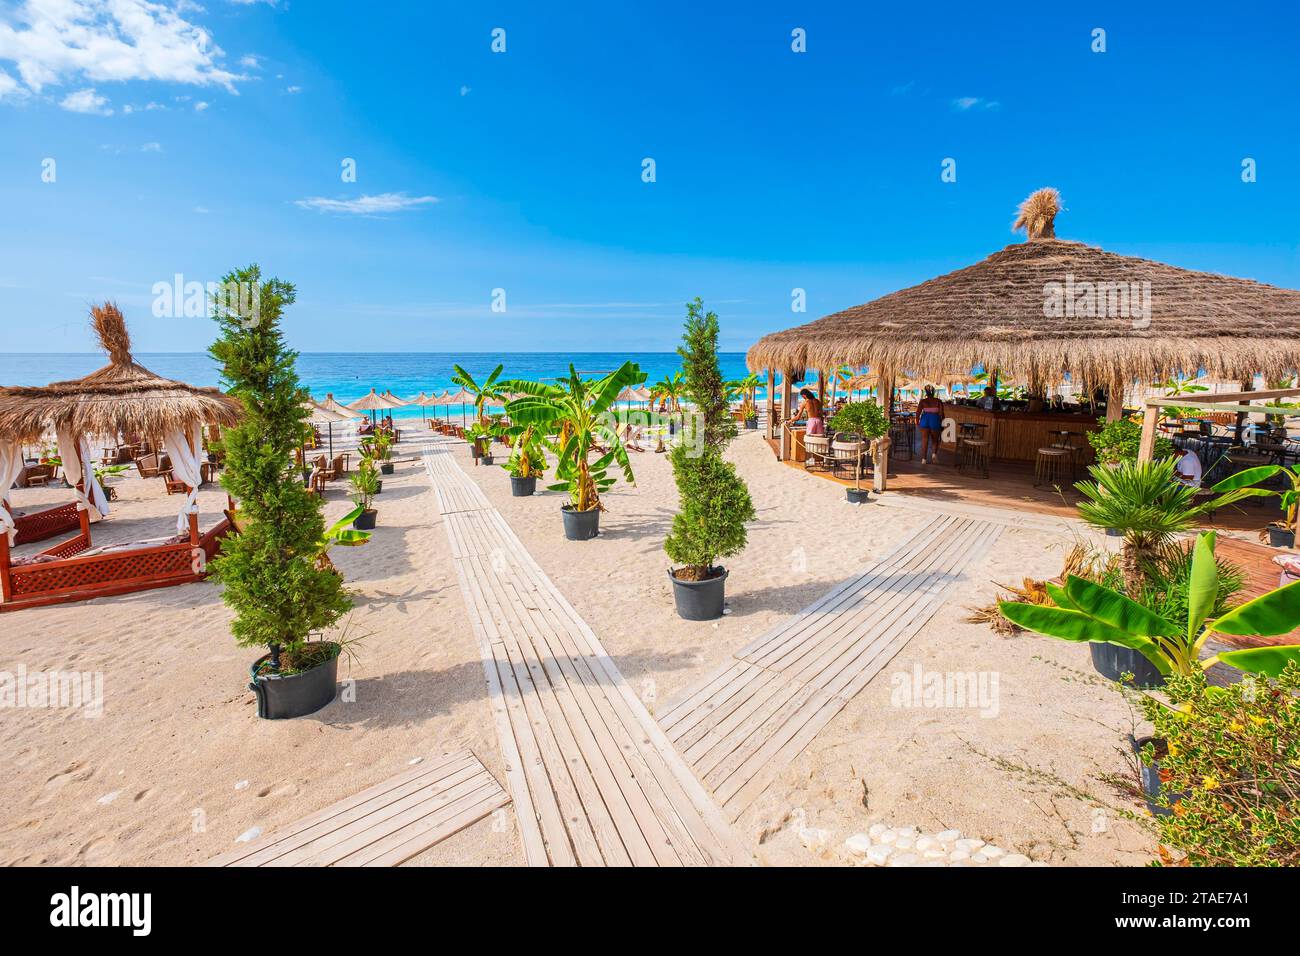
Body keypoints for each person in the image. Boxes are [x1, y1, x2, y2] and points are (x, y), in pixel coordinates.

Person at [916, 386, 945, 464]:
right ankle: (933, 454)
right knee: (935, 440)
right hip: (935, 419)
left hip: (925, 420)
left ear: (926, 392)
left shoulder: (923, 401)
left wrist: (917, 422)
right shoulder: (938, 401)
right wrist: (942, 423)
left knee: (924, 440)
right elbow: (941, 414)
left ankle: (923, 460)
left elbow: (918, 413)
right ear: (934, 392)